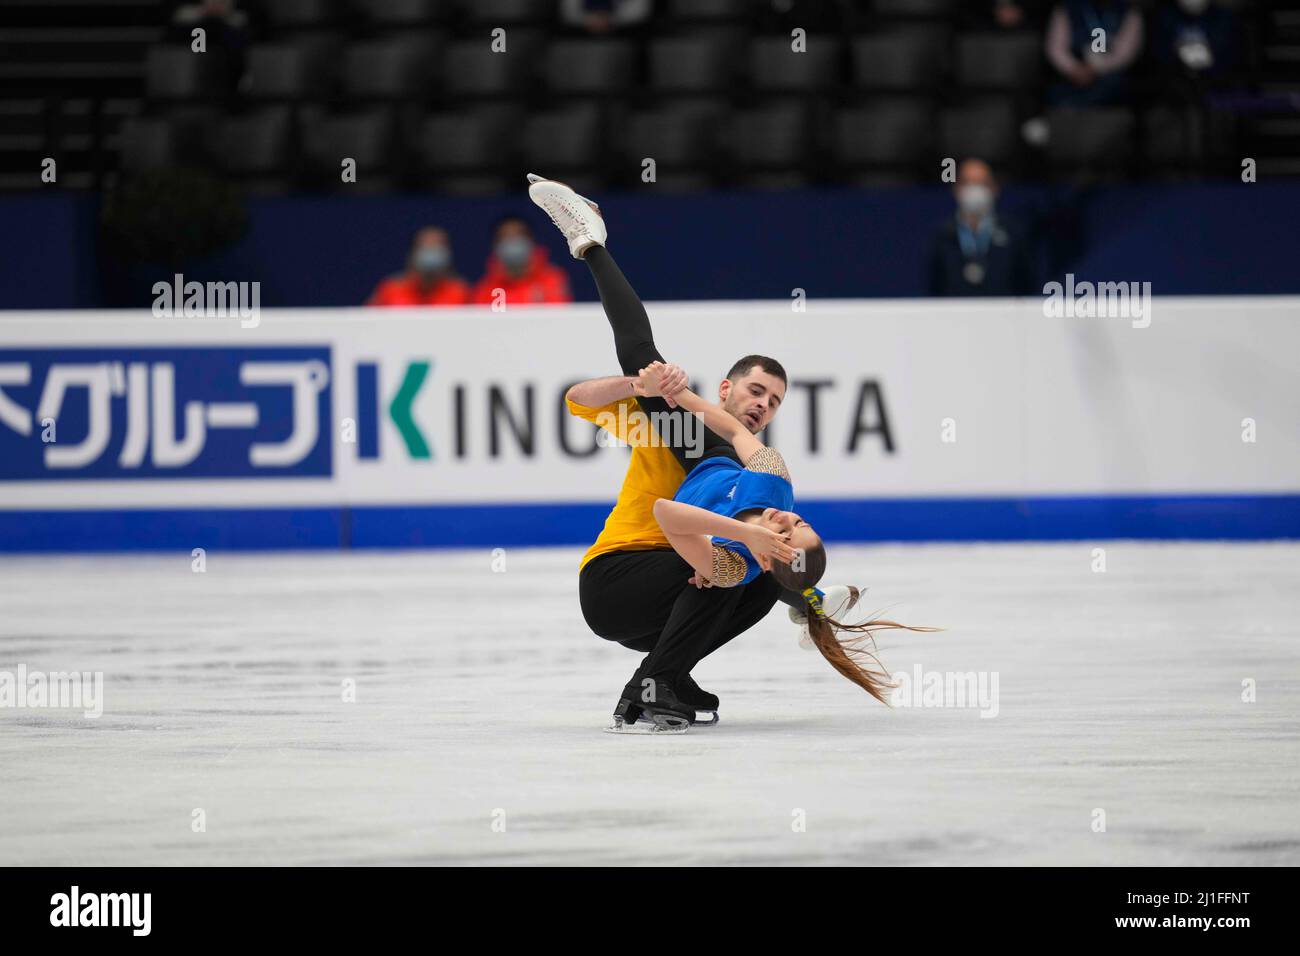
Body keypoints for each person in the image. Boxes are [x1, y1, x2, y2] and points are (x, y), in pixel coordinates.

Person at [528, 174, 922, 732]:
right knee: (647, 365)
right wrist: (647, 387)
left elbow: (770, 533)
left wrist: (804, 594)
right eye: (755, 391)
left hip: (664, 593)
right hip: (620, 574)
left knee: (754, 576)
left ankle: (665, 671)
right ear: (727, 391)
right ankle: (590, 242)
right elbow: (577, 398)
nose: (762, 405)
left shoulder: (753, 467)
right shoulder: (677, 422)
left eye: (774, 401)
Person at [928, 158, 1038, 297]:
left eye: (981, 183)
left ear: (994, 188)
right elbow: (933, 288)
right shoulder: (942, 236)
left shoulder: (1013, 234)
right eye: (968, 183)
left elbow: (1026, 285)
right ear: (956, 189)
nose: (974, 190)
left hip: (1004, 315)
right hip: (954, 315)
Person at [1045, 0, 1144, 107]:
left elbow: (1126, 52)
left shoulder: (1129, 11)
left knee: (1116, 87)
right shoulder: (1067, 8)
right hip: (1073, 70)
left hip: (1110, 72)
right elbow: (1056, 47)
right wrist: (1073, 68)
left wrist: (1096, 68)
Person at [471, 217, 572, 306]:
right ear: (495, 245)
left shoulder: (552, 279)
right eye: (505, 237)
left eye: (518, 235)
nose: (512, 241)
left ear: (531, 240)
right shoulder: (485, 289)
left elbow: (559, 318)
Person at [367, 227, 470, 307]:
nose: (431, 252)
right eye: (425, 248)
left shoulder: (460, 292)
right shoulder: (391, 289)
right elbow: (368, 323)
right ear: (413, 253)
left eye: (436, 248)